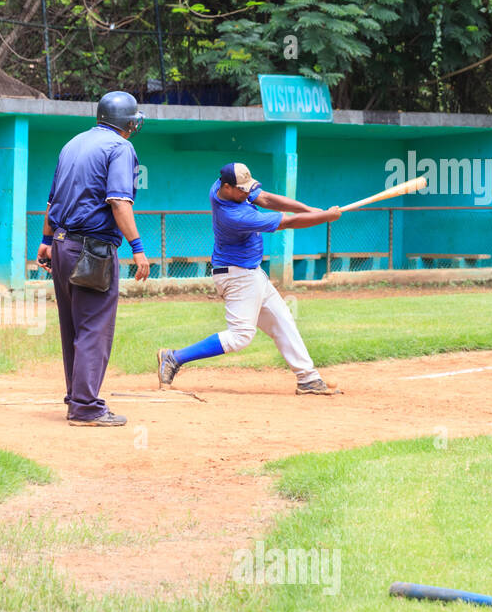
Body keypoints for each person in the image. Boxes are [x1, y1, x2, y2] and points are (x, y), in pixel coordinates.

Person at [157, 162, 342, 394]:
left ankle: (308, 379)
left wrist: (310, 210)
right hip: (237, 277)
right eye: (242, 189)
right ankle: (174, 357)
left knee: (283, 321)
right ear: (227, 187)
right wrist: (325, 217)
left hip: (250, 273)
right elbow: (288, 222)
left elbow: (266, 199)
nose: (247, 192)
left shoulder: (224, 188)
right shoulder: (234, 215)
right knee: (240, 336)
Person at [37, 90, 150, 426]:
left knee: (73, 325)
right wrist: (138, 248)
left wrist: (45, 241)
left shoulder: (73, 143)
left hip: (60, 243)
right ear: (128, 122)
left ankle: (77, 397)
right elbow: (118, 202)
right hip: (93, 249)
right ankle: (85, 407)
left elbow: (51, 202)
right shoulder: (121, 147)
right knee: (94, 327)